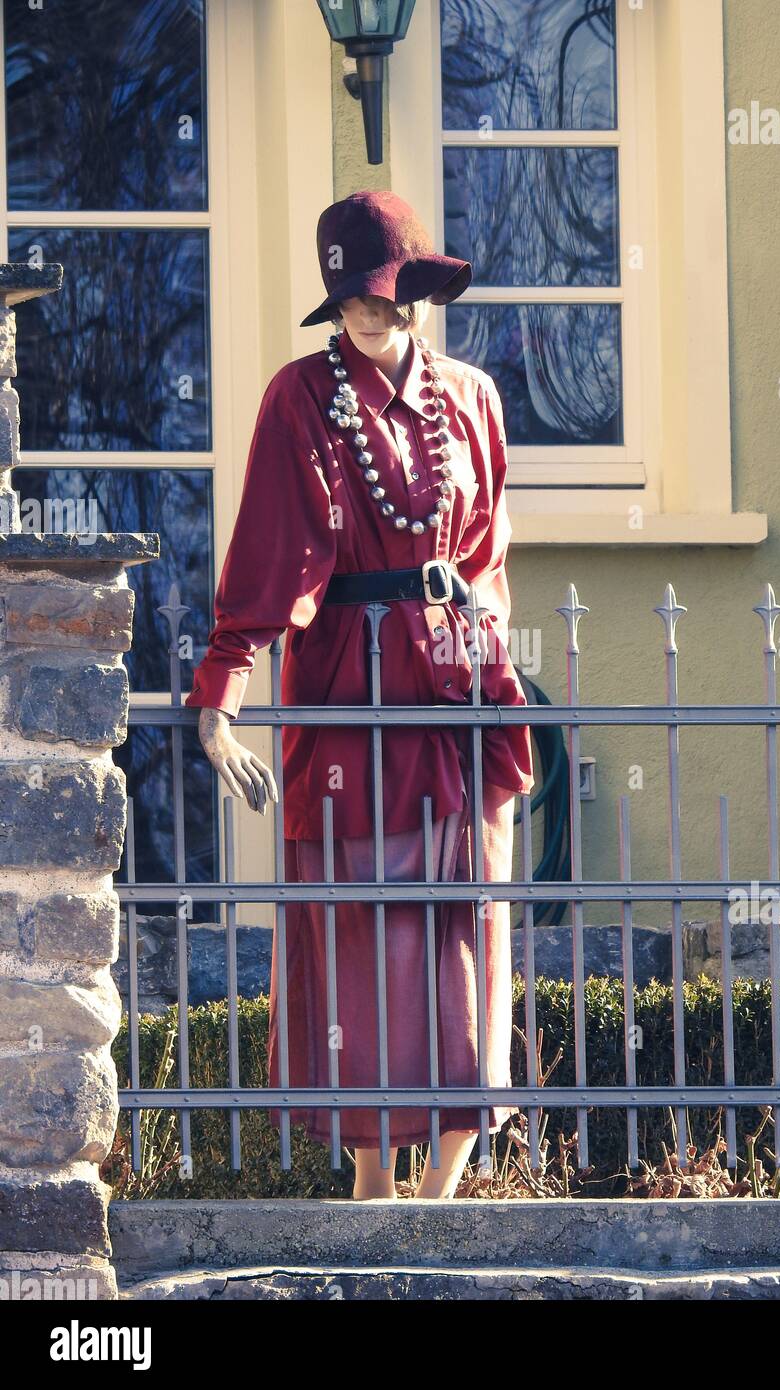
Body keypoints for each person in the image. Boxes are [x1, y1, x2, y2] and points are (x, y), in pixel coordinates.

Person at [184, 189, 534, 1199]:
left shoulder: (473, 399)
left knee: (466, 920)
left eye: (380, 298)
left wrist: (494, 658)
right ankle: (373, 1182)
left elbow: (489, 554)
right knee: (358, 927)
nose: (363, 319)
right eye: (348, 302)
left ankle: (445, 1183)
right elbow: (264, 558)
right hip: (346, 682)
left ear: (417, 292)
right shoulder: (299, 397)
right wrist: (223, 689)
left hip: (456, 685)